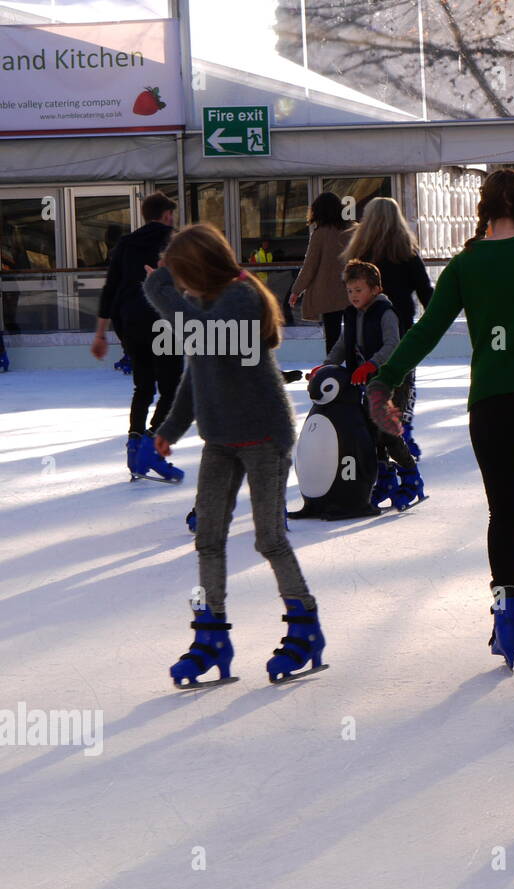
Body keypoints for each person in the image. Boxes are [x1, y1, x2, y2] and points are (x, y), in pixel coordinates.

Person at [368, 169, 514, 672]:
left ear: (485, 208)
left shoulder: (466, 265)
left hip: (492, 405)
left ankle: (508, 615)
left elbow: (426, 329)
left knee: (506, 512)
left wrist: (385, 379)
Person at [144, 224, 324, 686]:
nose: (180, 285)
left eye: (182, 276)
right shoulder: (205, 303)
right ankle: (212, 636)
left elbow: (206, 337)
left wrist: (160, 287)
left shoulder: (241, 297)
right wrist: (170, 428)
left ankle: (305, 626)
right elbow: (197, 373)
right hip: (220, 439)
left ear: (200, 266)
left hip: (264, 436)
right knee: (208, 538)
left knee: (269, 539)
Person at [90, 191, 184, 480]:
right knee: (171, 389)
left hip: (129, 322)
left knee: (143, 387)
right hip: (162, 320)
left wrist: (100, 333)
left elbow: (110, 287)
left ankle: (134, 448)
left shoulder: (125, 243)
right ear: (167, 215)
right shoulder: (174, 240)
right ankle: (150, 448)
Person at [313, 258, 420, 510]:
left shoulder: (386, 313)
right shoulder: (351, 314)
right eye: (350, 291)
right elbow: (342, 344)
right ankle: (384, 480)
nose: (353, 296)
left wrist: (372, 364)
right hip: (365, 381)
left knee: (386, 433)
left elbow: (392, 345)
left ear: (375, 289)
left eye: (359, 290)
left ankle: (411, 476)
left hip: (392, 380)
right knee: (369, 434)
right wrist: (327, 366)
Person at [342, 196, 433, 457]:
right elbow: (425, 290)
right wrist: (433, 321)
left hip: (367, 332)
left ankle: (377, 436)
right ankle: (402, 431)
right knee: (403, 382)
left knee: (374, 385)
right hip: (402, 330)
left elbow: (349, 293)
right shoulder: (407, 253)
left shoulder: (359, 256)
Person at [289, 192, 354, 356]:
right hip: (355, 292)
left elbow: (310, 266)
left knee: (332, 336)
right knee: (354, 335)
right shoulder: (354, 229)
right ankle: (355, 372)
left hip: (329, 295)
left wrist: (296, 290)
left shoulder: (320, 234)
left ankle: (332, 372)